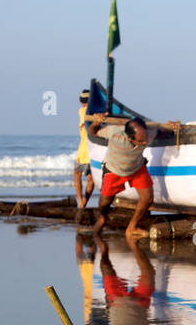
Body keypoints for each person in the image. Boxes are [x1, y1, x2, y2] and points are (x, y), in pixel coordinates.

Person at [87, 113, 182, 242]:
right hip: (114, 170)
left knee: (147, 198)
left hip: (137, 168)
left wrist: (171, 127)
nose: (145, 142)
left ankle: (132, 227)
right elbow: (94, 132)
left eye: (146, 140)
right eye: (140, 141)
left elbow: (163, 132)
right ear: (130, 138)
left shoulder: (149, 134)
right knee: (104, 202)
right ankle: (103, 218)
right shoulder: (115, 133)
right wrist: (96, 123)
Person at [74, 90, 95, 218]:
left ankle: (81, 201)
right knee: (90, 179)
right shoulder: (94, 113)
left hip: (83, 151)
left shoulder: (82, 111)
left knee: (77, 175)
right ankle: (84, 202)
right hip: (91, 150)